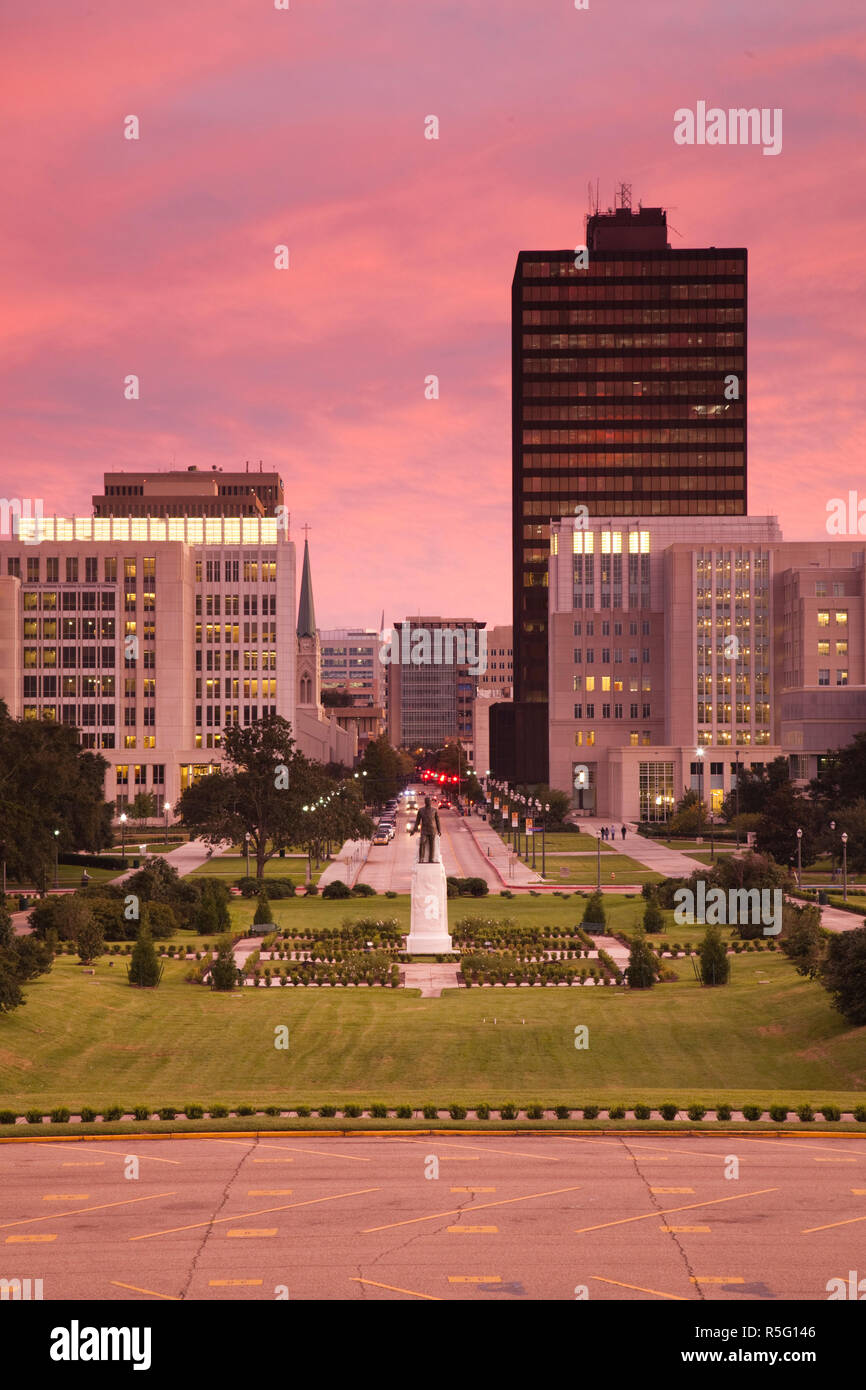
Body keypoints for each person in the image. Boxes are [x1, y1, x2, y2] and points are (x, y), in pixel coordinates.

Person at [410, 796, 441, 863]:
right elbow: (417, 822)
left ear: (430, 802)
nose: (428, 802)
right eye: (426, 801)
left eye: (429, 801)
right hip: (424, 830)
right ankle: (421, 858)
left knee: (432, 845)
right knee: (422, 843)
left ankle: (431, 859)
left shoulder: (434, 810)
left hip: (432, 830)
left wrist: (439, 830)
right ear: (425, 802)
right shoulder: (421, 810)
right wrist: (414, 830)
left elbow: (437, 821)